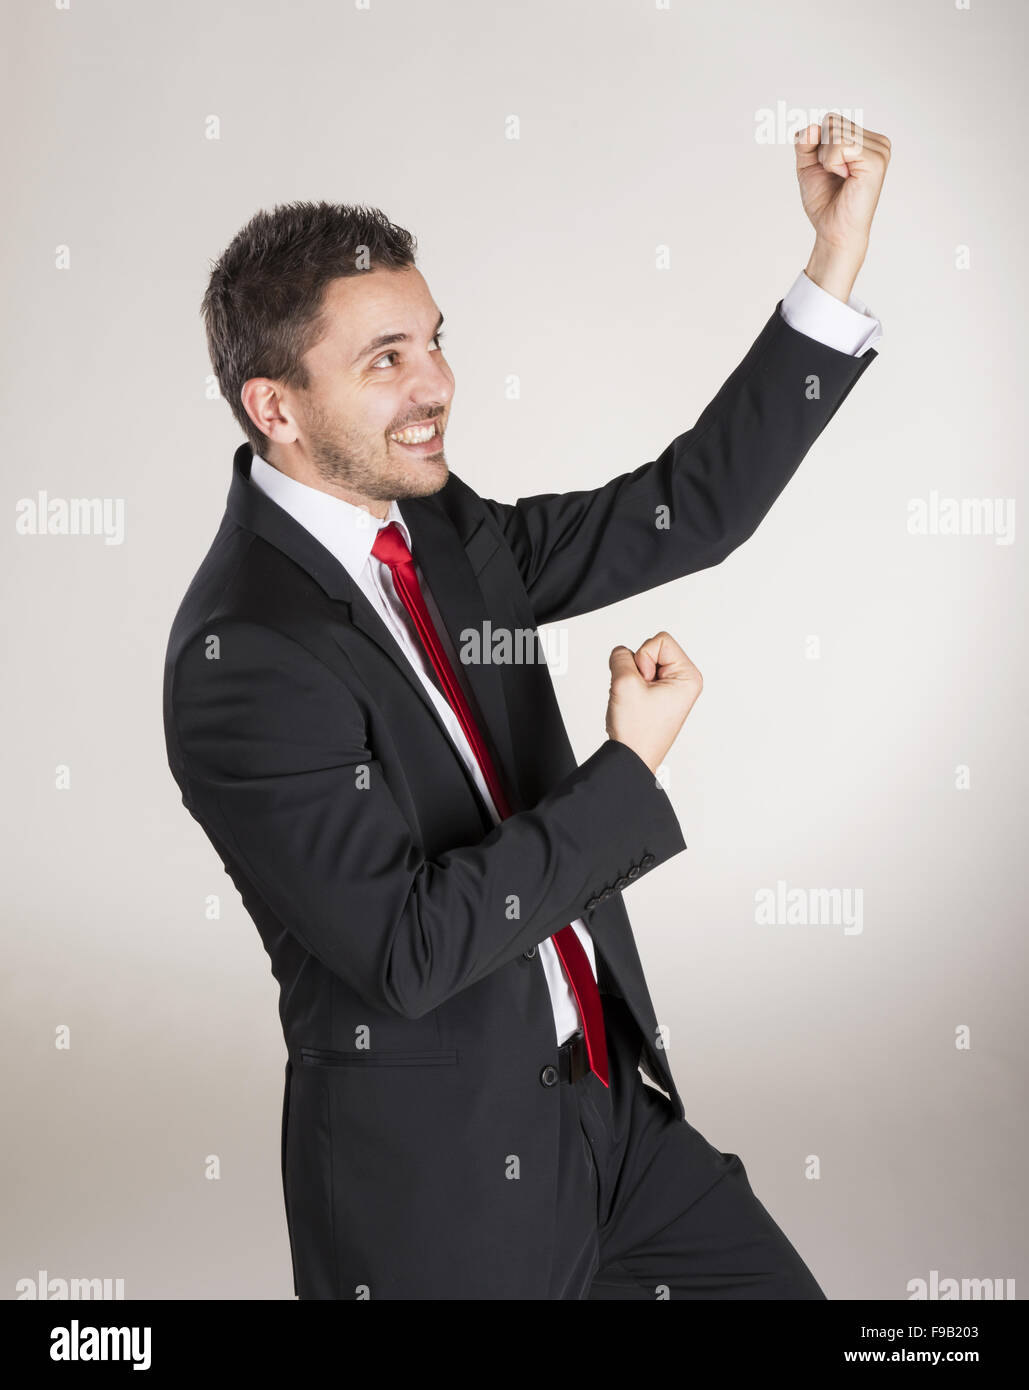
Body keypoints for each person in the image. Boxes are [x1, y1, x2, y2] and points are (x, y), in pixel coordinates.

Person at [163, 116, 891, 1298]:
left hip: (606, 1115)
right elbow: (408, 952)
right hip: (439, 1197)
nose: (439, 384)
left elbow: (687, 509)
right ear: (276, 407)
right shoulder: (242, 655)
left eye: (435, 341)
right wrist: (627, 774)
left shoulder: (443, 531)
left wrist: (834, 259)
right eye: (385, 358)